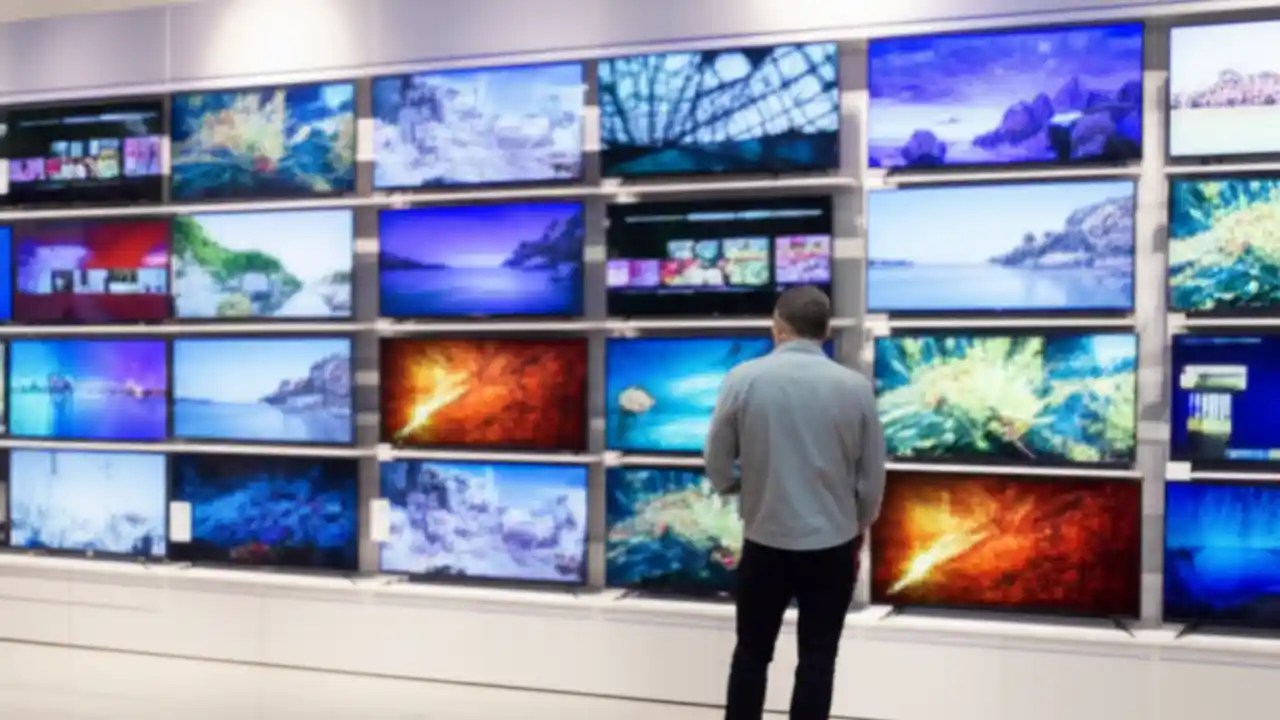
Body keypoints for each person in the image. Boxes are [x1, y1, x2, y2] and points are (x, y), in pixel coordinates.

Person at [704, 285, 886, 720]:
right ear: (824, 331)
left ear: (778, 326)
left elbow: (716, 460)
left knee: (751, 654)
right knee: (818, 661)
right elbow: (872, 478)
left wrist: (739, 489)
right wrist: (855, 524)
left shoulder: (743, 379)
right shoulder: (856, 388)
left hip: (765, 541)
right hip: (832, 547)